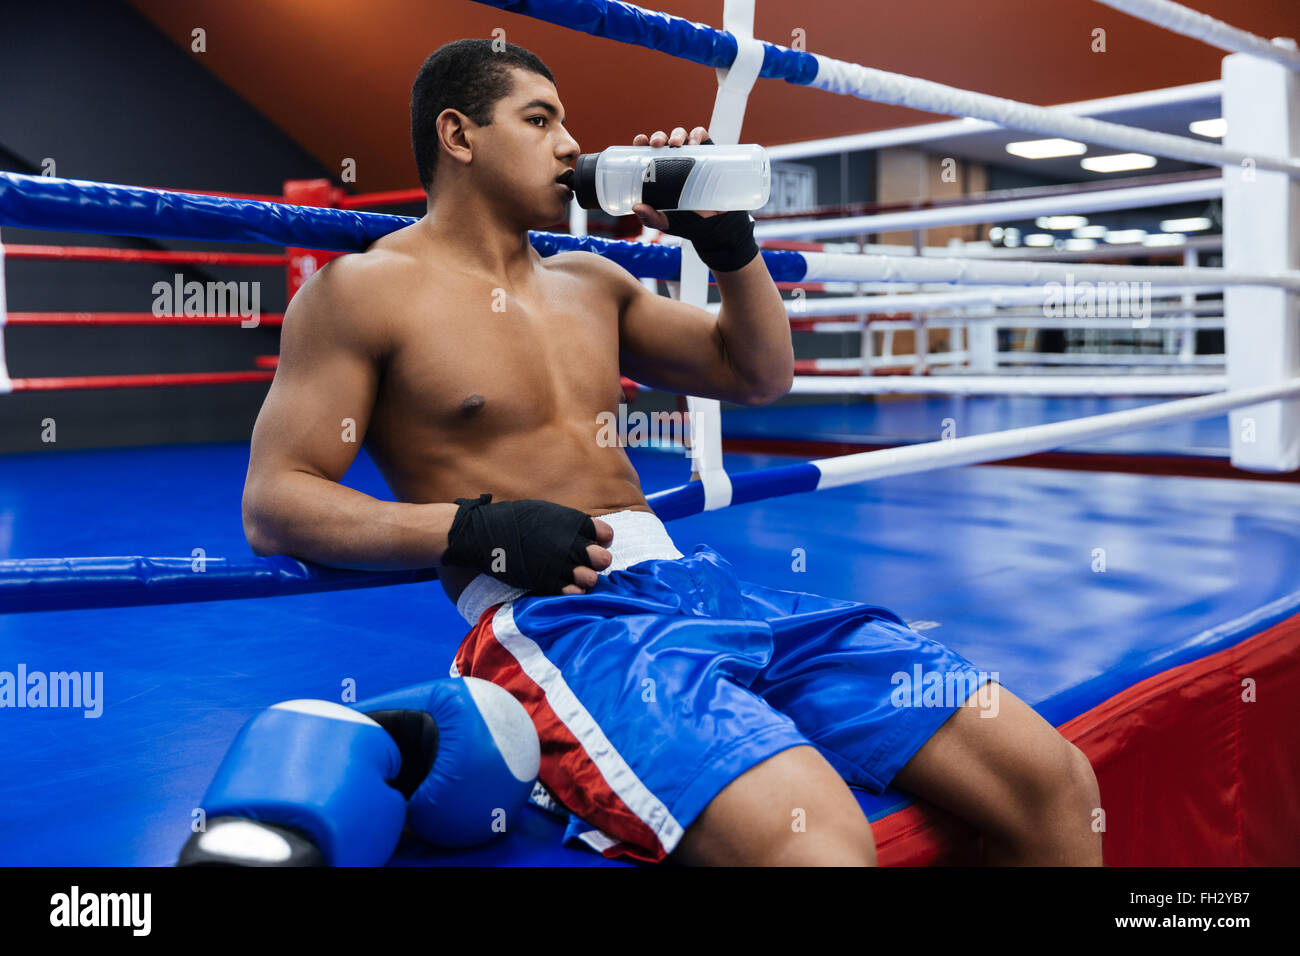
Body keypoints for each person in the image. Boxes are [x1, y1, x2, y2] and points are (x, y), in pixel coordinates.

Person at [241, 38, 1102, 866]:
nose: (572, 144)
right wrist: (473, 529)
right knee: (817, 845)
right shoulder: (361, 292)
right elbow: (276, 503)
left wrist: (728, 245)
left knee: (1051, 779)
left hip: (707, 589)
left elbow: (756, 373)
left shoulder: (593, 282)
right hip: (567, 620)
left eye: (566, 122)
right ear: (458, 135)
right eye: (539, 120)